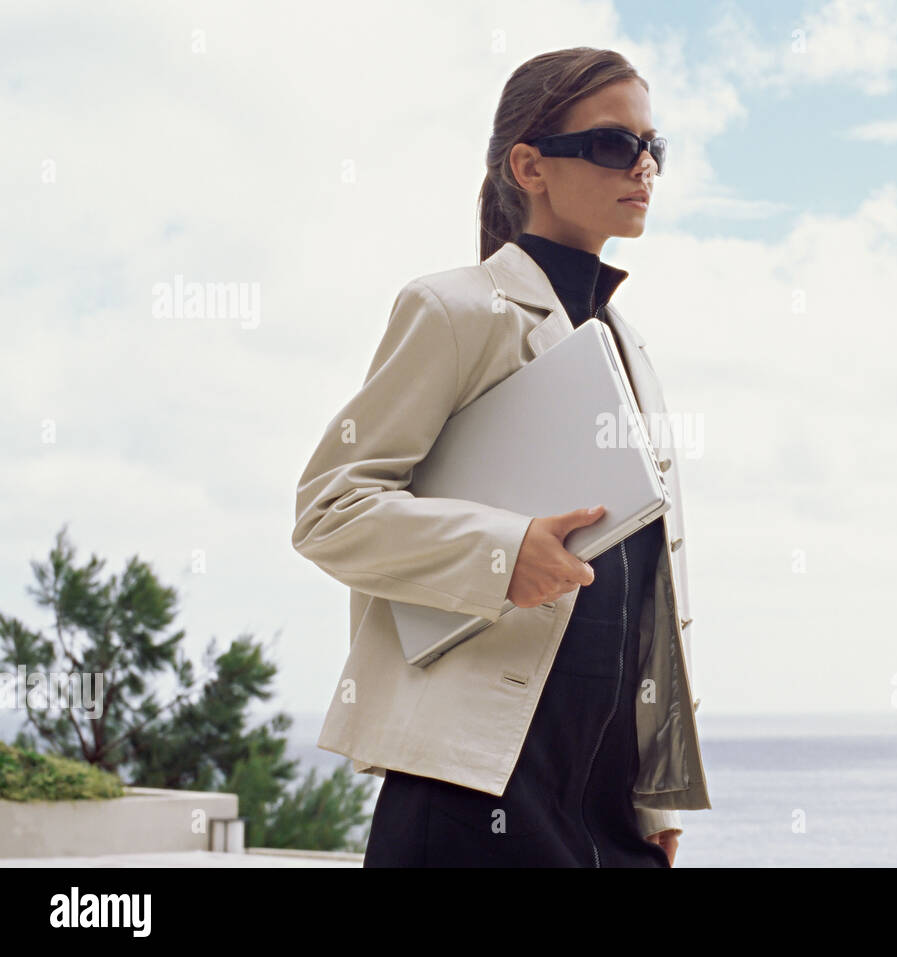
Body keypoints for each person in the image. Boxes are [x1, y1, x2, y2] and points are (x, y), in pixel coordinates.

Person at [290, 47, 710, 867]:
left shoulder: (632, 349)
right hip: (472, 793)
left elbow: (649, 588)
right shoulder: (456, 310)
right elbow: (329, 509)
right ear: (530, 166)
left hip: (608, 807)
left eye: (653, 146)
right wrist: (503, 551)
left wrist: (654, 793)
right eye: (614, 143)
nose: (644, 166)